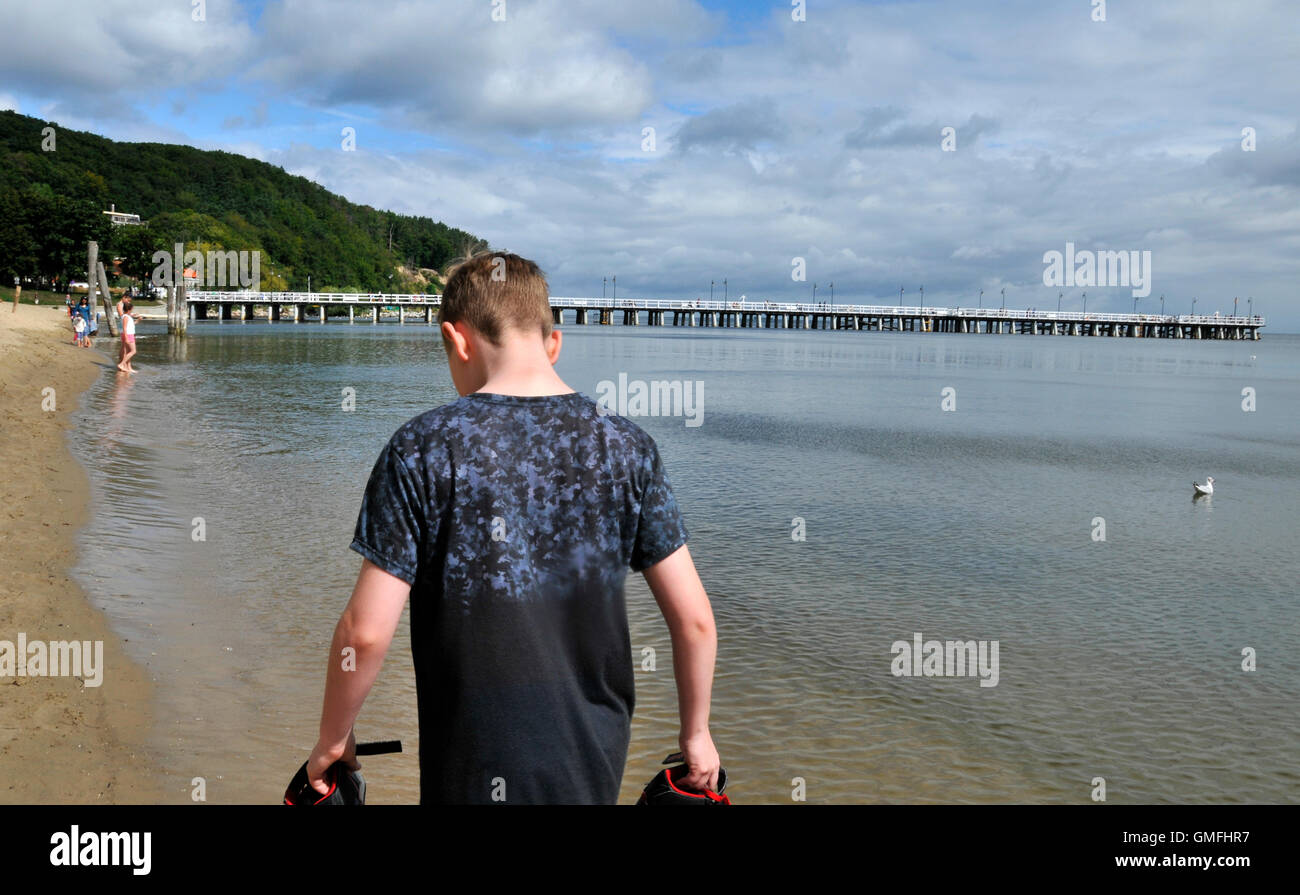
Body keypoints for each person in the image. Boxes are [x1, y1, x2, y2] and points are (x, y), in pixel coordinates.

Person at [305, 253, 720, 804]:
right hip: (592, 761)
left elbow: (365, 633)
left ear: (457, 340)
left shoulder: (422, 448)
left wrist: (333, 738)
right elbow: (693, 622)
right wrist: (696, 734)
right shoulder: (628, 447)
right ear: (554, 343)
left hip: (468, 764)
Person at [118, 298, 142, 373]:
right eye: (132, 309)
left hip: (128, 334)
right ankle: (122, 364)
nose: (132, 310)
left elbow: (130, 325)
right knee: (133, 351)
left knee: (128, 351)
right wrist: (126, 338)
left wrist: (138, 321)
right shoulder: (125, 317)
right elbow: (125, 328)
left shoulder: (126, 316)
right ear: (129, 309)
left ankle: (129, 367)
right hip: (128, 335)